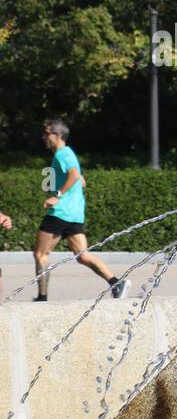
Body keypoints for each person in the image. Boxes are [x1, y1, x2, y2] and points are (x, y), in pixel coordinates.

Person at [32, 118, 129, 302]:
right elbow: (77, 176)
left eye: (47, 133)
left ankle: (42, 298)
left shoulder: (62, 154)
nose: (43, 137)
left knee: (40, 254)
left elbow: (75, 175)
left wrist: (57, 195)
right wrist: (71, 181)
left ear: (59, 135)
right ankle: (117, 284)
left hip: (60, 213)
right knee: (82, 256)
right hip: (75, 214)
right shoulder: (67, 154)